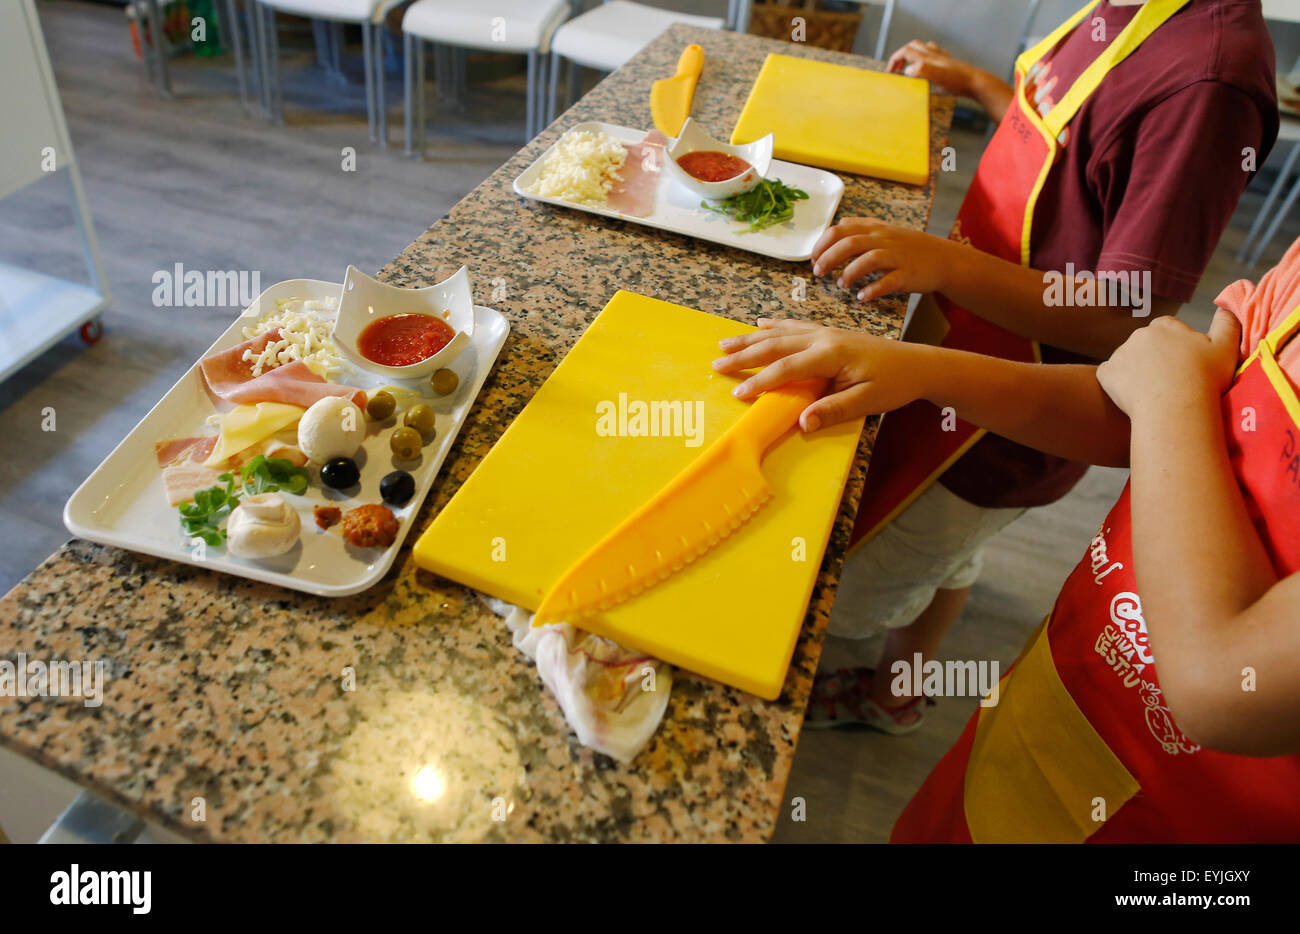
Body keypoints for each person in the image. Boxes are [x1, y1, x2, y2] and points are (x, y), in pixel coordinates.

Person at [713, 232, 1300, 841]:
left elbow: (1222, 688)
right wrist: (917, 370)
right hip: (1065, 703)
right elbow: (1145, 413)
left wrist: (1169, 394)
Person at [801, 0, 1278, 734]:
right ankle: (898, 694)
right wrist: (978, 84)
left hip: (1017, 413)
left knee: (869, 574)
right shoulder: (1128, 10)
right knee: (950, 551)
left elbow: (1126, 314)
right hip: (961, 345)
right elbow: (1073, 148)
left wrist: (947, 265)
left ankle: (863, 676)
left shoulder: (1208, 84)